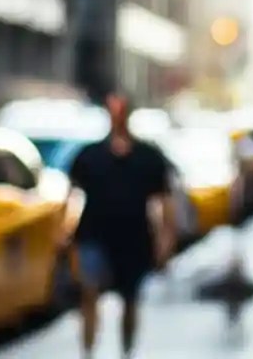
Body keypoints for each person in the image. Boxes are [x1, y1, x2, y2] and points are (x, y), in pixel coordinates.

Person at [67, 91, 177, 359]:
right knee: (89, 292)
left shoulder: (148, 157)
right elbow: (71, 196)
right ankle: (88, 352)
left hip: (134, 237)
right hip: (94, 233)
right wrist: (64, 232)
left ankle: (126, 351)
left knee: (129, 300)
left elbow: (163, 200)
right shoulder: (90, 156)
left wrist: (166, 239)